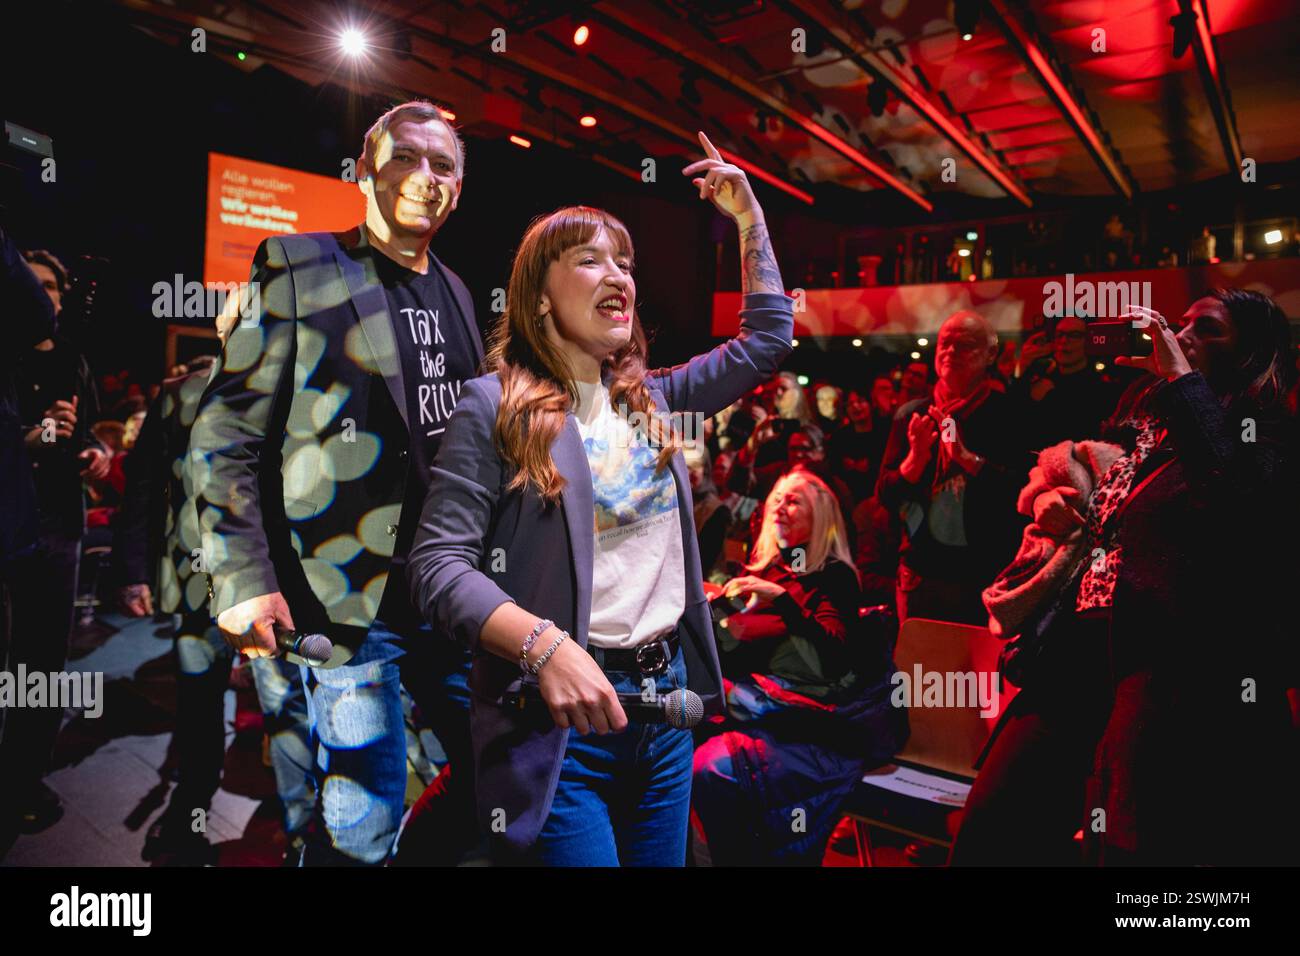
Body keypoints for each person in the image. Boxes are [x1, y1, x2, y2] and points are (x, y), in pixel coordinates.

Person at [407, 132, 793, 865]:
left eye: (625, 261)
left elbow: (769, 337)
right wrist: (543, 644)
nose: (618, 273)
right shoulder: (493, 408)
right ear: (540, 296)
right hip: (559, 725)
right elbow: (437, 566)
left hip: (666, 709)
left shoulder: (654, 400)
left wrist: (748, 220)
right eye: (590, 259)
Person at [187, 100, 483, 865]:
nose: (424, 176)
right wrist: (242, 577)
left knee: (498, 773)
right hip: (345, 596)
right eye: (403, 158)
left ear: (459, 185)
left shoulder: (457, 291)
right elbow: (228, 433)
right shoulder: (295, 265)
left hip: (447, 593)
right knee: (364, 814)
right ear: (363, 173)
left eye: (441, 163)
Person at [951, 290, 1300, 866]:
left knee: (1136, 849)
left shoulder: (1265, 433)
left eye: (1207, 330)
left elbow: (1233, 494)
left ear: (1250, 354)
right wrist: (1047, 496)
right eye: (1181, 323)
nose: (1182, 333)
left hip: (1169, 673)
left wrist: (1185, 382)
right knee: (993, 828)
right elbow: (1071, 471)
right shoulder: (1149, 427)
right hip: (1076, 653)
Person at [116, 343, 314, 865]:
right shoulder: (178, 397)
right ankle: (190, 815)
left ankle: (302, 832)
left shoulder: (287, 389)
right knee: (200, 705)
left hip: (270, 584)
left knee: (284, 706)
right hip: (195, 582)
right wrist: (133, 570)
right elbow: (144, 487)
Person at [692, 471, 907, 864]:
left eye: (794, 501)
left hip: (810, 727)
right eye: (776, 498)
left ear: (821, 515)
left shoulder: (832, 576)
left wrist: (783, 602)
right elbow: (737, 653)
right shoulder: (767, 570)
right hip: (756, 714)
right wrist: (712, 609)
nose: (780, 506)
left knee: (710, 769)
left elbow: (830, 661)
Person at [0, 249, 110, 841]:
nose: (42, 296)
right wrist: (33, 437)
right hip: (11, 521)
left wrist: (96, 454)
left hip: (62, 525)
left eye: (51, 286)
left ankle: (24, 780)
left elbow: (89, 435)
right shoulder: (7, 355)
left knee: (45, 662)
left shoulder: (74, 360)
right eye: (32, 285)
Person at [875, 310, 1028, 625]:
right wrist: (914, 461)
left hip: (984, 573)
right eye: (945, 344)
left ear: (990, 355)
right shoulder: (912, 414)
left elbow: (1022, 493)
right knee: (918, 670)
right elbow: (885, 495)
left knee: (978, 671)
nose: (950, 352)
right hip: (921, 571)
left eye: (965, 345)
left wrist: (967, 460)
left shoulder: (1010, 412)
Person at [1017, 316, 1127, 446]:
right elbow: (1015, 427)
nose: (1064, 341)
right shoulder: (1040, 378)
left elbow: (1080, 434)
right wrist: (1023, 367)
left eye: (1074, 335)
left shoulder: (1100, 387)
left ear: (1089, 340)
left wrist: (1050, 397)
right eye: (1059, 334)